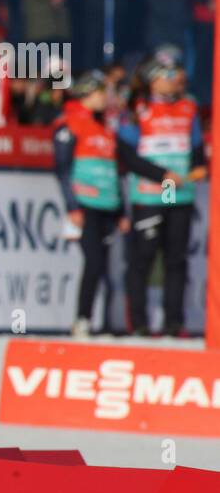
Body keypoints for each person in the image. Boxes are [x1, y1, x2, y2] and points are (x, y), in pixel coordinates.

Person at [52, 70, 179, 338]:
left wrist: (160, 177)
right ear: (87, 94)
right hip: (86, 205)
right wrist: (72, 206)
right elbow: (62, 169)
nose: (105, 98)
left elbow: (123, 165)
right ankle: (83, 319)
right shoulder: (70, 123)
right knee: (94, 263)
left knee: (108, 267)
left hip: (109, 206)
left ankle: (107, 321)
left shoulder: (107, 129)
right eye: (101, 93)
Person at [118, 50, 208, 337]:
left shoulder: (187, 107)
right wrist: (162, 175)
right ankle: (140, 323)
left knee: (176, 257)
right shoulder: (138, 108)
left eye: (176, 72)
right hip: (152, 191)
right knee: (144, 256)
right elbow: (126, 155)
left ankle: (174, 322)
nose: (174, 79)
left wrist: (199, 167)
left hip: (177, 193)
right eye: (167, 73)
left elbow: (196, 149)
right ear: (151, 79)